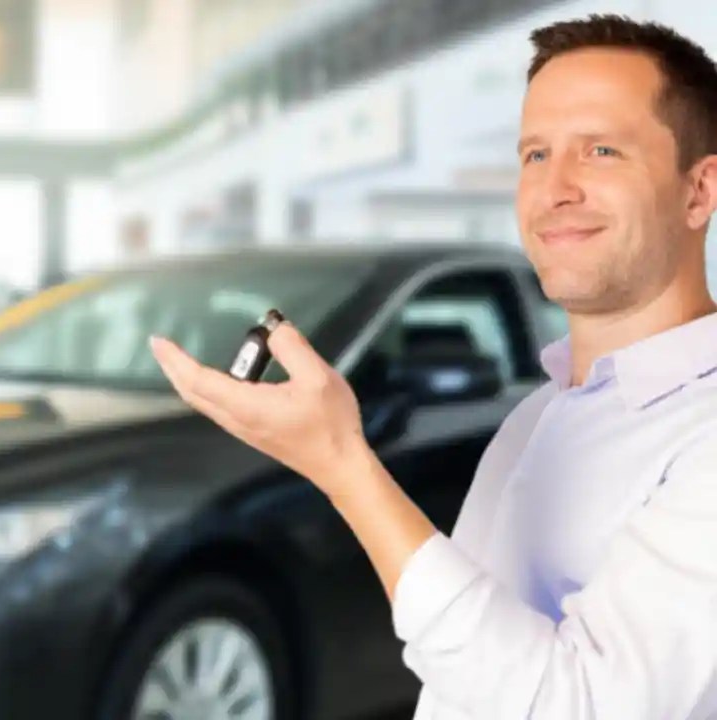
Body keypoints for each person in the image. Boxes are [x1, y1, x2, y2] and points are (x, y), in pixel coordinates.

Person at [150, 14, 717, 719]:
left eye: (600, 150)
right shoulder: (537, 415)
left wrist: (342, 464)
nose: (554, 188)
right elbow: (465, 681)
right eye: (535, 155)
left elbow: (580, 708)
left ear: (699, 192)